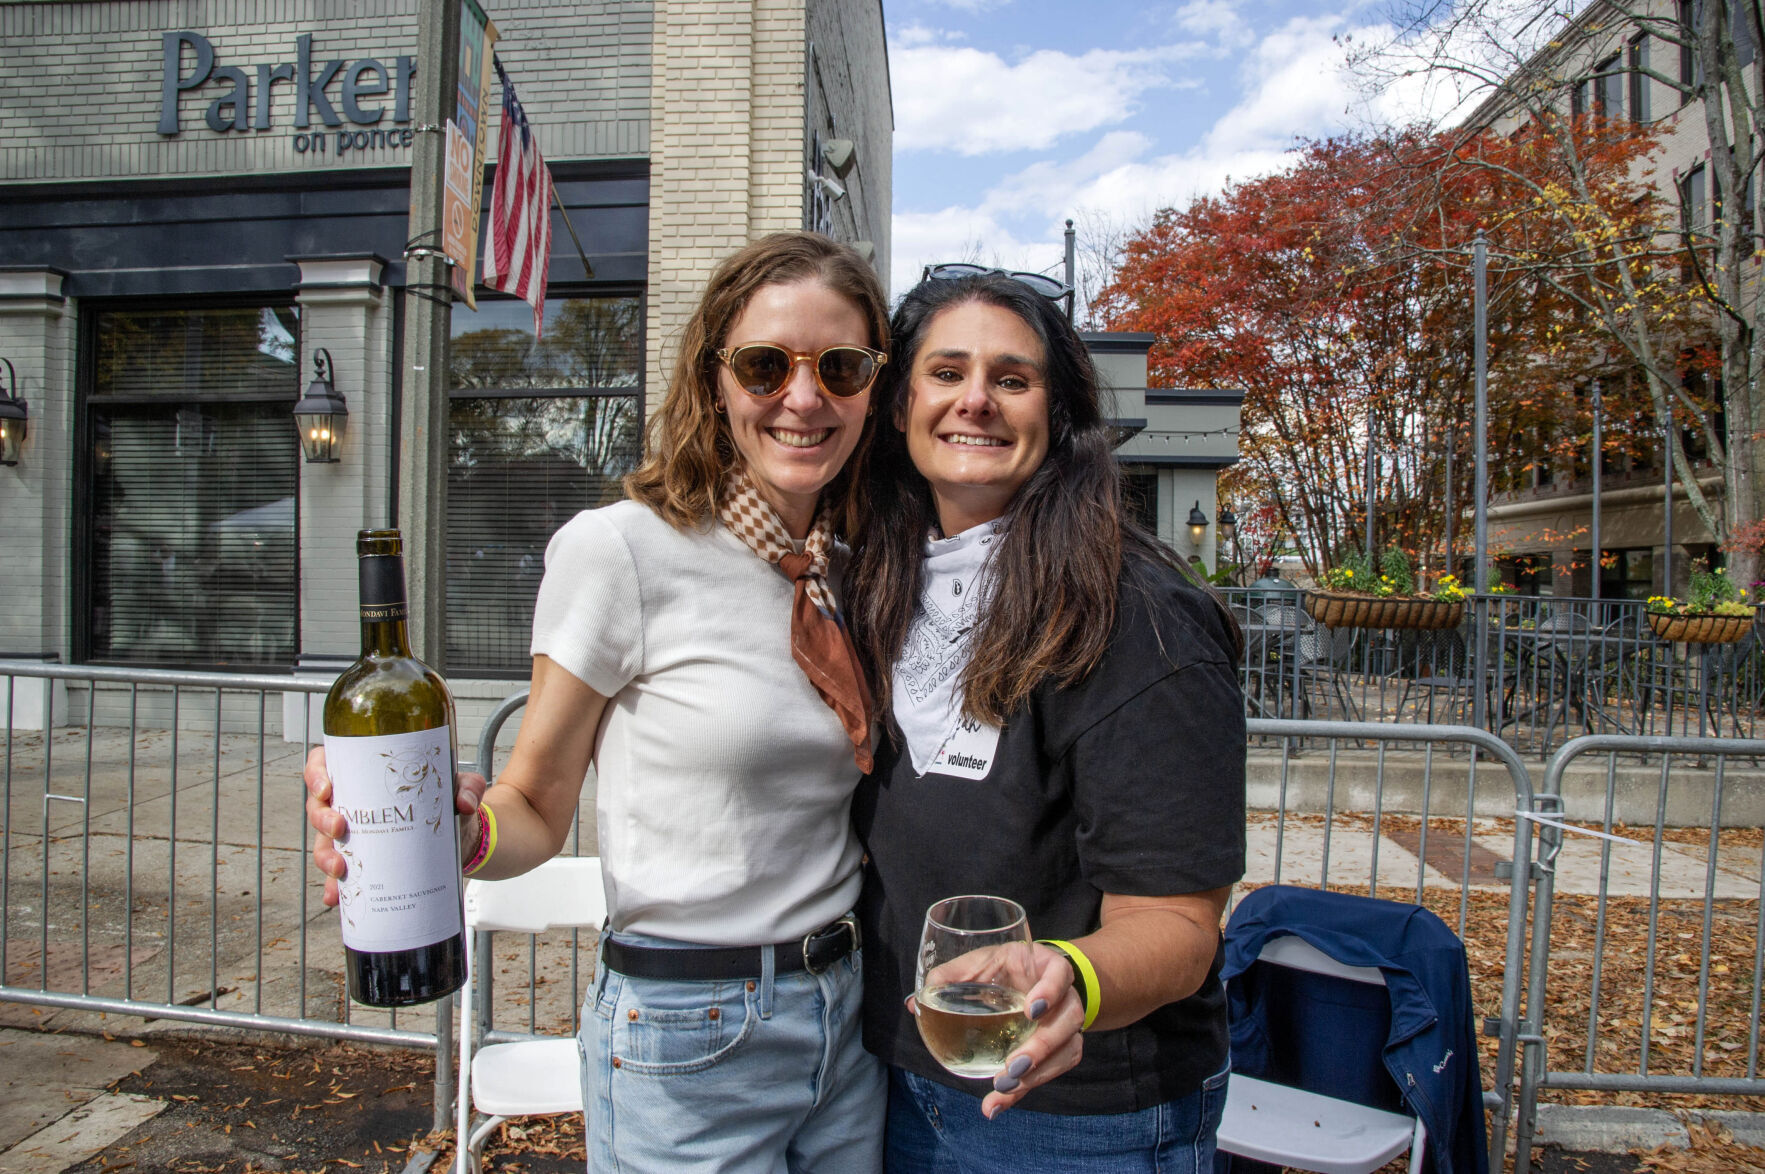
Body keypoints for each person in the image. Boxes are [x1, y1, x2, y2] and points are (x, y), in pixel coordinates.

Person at [305, 232, 1033, 1173]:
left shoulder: (858, 568)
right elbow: (532, 803)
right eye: (765, 365)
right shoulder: (620, 552)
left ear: (874, 390)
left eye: (840, 367)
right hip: (690, 1031)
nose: (803, 398)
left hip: (851, 1015)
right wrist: (448, 831)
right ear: (715, 379)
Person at [847, 269, 1249, 1172]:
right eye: (945, 372)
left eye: (1013, 379)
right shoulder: (882, 582)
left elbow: (1179, 925)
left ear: (1057, 414)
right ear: (902, 404)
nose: (975, 401)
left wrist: (1072, 974)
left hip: (1076, 1115)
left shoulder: (1139, 617)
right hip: (896, 1076)